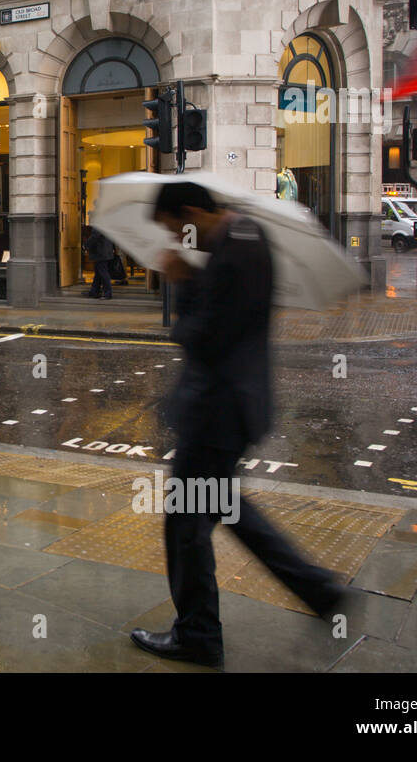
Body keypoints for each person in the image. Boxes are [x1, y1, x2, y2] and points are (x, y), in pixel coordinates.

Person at [130, 182, 346, 668]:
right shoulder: (247, 239)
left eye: (175, 229)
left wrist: (182, 283)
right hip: (230, 408)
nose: (178, 239)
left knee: (186, 526)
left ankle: (198, 635)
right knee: (228, 509)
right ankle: (317, 588)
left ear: (192, 212)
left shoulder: (235, 252)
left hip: (218, 412)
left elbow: (205, 336)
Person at [82, 227, 115, 299]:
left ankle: (108, 293)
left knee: (103, 273)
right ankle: (94, 291)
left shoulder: (98, 222)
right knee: (98, 273)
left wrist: (86, 245)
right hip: (105, 251)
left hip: (100, 252)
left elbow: (95, 236)